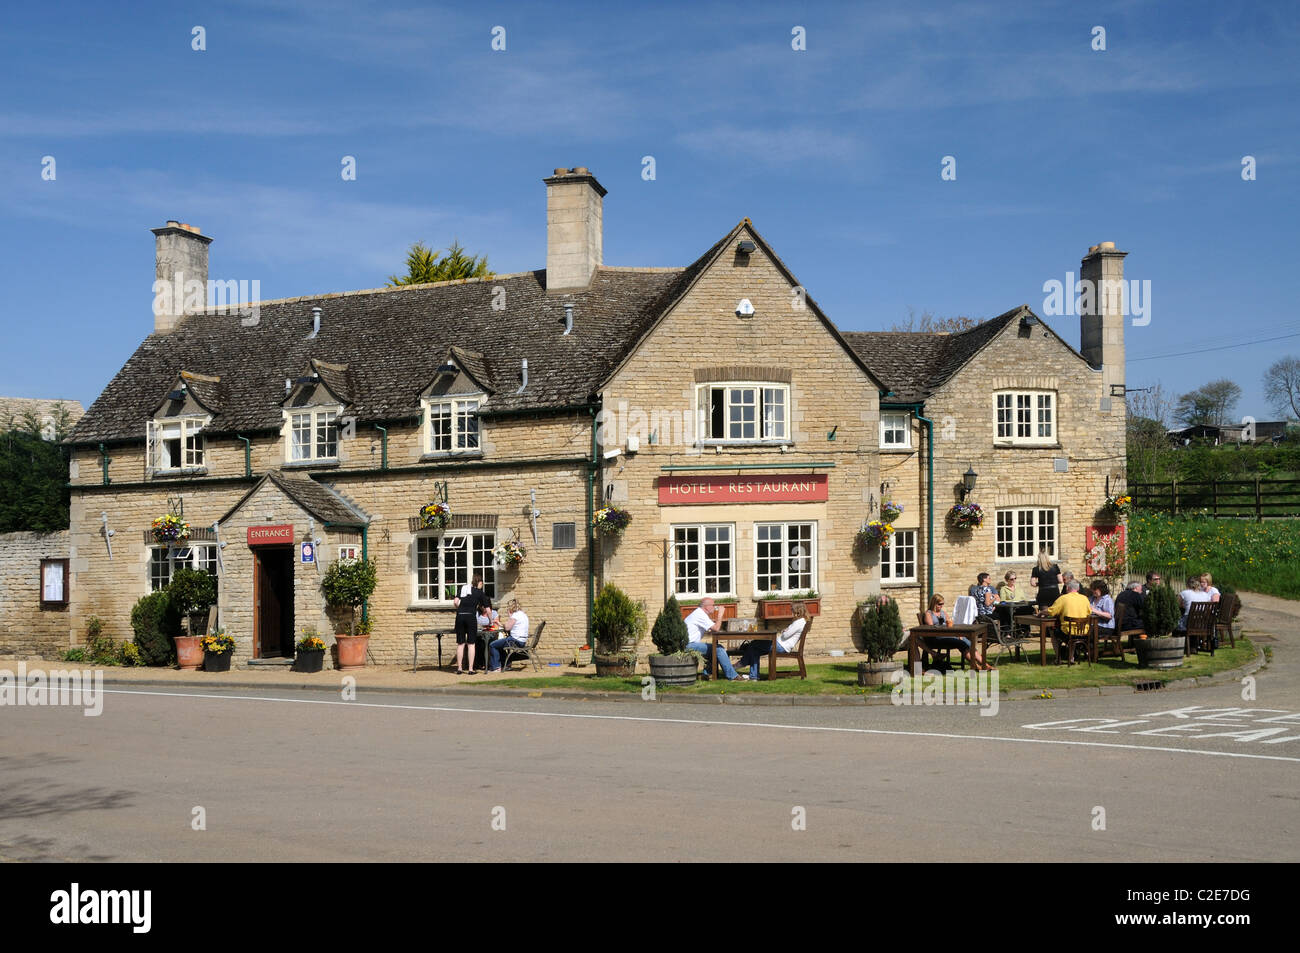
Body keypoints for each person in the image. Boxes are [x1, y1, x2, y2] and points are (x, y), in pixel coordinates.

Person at [921, 594, 993, 671]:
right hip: (936, 638)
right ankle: (980, 665)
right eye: (939, 604)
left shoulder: (943, 613)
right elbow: (931, 629)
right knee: (963, 643)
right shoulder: (929, 614)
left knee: (964, 642)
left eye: (942, 604)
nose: (941, 606)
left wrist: (957, 633)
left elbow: (950, 624)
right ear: (934, 603)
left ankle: (981, 665)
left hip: (946, 636)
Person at [739, 603, 806, 680]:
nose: (791, 612)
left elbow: (785, 635)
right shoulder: (800, 622)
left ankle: (742, 663)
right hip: (780, 644)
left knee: (754, 644)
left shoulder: (798, 623)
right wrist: (785, 631)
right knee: (754, 648)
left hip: (782, 646)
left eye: (792, 610)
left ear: (797, 612)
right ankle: (753, 676)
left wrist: (785, 631)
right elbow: (786, 633)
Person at [684, 597, 744, 680]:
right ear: (707, 606)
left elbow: (712, 629)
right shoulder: (700, 614)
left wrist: (711, 629)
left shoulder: (699, 613)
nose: (715, 607)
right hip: (688, 645)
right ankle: (732, 676)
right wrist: (720, 615)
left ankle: (707, 674)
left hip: (689, 644)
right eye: (713, 605)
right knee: (719, 649)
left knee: (714, 650)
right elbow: (716, 628)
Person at [1045, 579, 1092, 662]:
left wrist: (1041, 612)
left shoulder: (1063, 598)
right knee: (1072, 635)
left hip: (1068, 632)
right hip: (1083, 632)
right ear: (1078, 589)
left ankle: (1058, 658)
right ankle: (1071, 658)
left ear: (1067, 588)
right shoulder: (1085, 599)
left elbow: (1051, 612)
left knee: (1052, 632)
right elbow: (1089, 612)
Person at [452, 573, 487, 674]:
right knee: (471, 644)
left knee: (460, 643)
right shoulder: (479, 592)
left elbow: (455, 602)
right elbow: (487, 608)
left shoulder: (463, 588)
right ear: (479, 582)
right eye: (482, 583)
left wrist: (460, 608)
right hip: (471, 617)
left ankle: (459, 668)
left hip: (460, 616)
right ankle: (471, 669)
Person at [486, 600, 529, 672]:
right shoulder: (522, 614)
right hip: (521, 640)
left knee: (493, 645)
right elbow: (508, 627)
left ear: (511, 607)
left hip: (515, 640)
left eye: (508, 607)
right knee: (499, 644)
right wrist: (499, 623)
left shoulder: (515, 616)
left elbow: (507, 628)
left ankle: (496, 667)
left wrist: (509, 616)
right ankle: (507, 664)